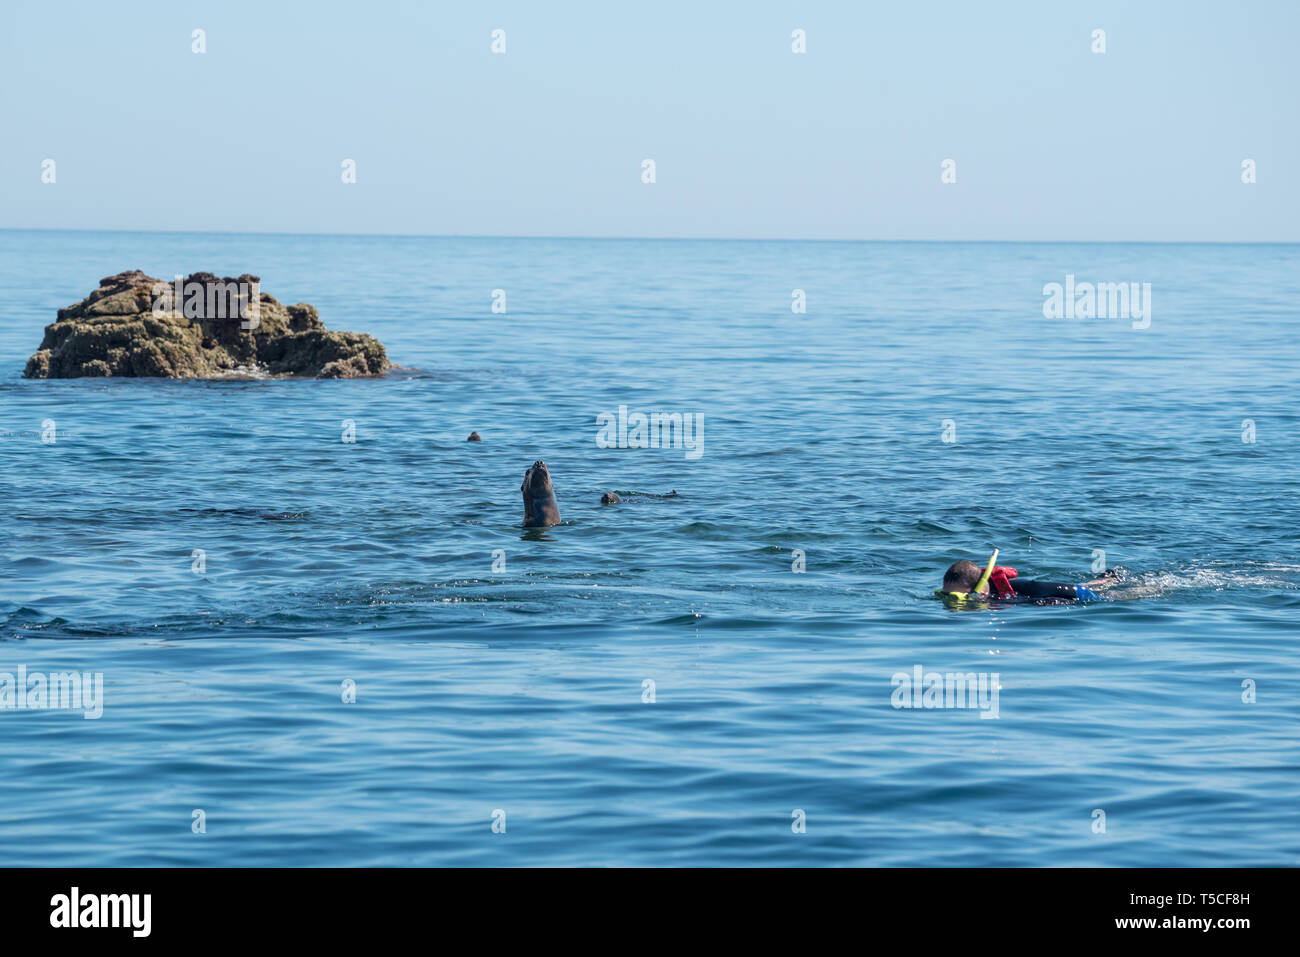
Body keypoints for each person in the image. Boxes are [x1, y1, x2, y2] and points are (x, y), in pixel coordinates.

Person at [937, 550, 1104, 604]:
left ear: (980, 592)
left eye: (957, 597)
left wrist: (1096, 598)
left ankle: (1108, 579)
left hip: (1070, 591)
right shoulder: (987, 598)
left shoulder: (1027, 589)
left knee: (1097, 590)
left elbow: (1075, 590)